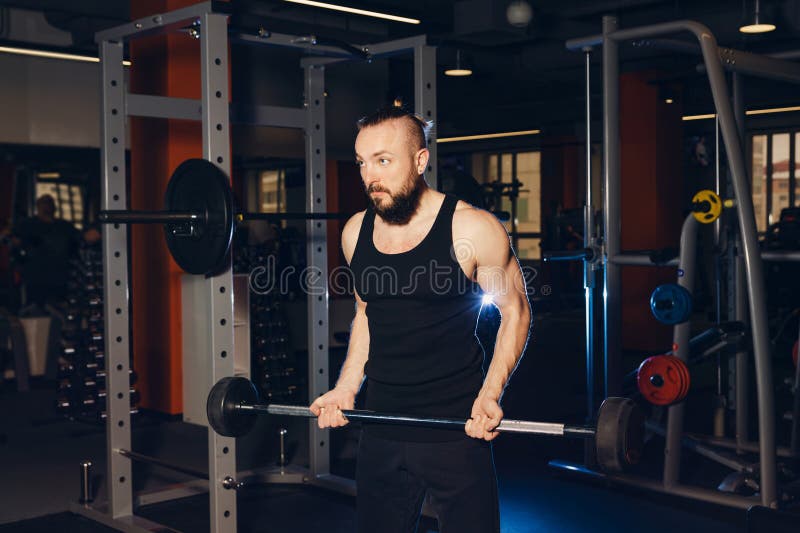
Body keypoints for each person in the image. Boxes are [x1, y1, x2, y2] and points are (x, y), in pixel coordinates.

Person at [309, 107, 532, 533]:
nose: (369, 176)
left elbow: (515, 311)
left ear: (420, 161)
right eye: (362, 162)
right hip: (380, 427)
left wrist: (491, 391)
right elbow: (367, 313)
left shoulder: (472, 229)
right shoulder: (356, 232)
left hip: (455, 429)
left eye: (384, 160)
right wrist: (346, 387)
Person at [11, 194, 81, 308]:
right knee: (36, 312)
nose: (47, 206)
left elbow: (79, 241)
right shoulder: (27, 225)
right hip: (36, 279)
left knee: (60, 312)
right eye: (44, 203)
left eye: (50, 203)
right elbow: (15, 243)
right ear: (38, 206)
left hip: (60, 278)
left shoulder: (64, 226)